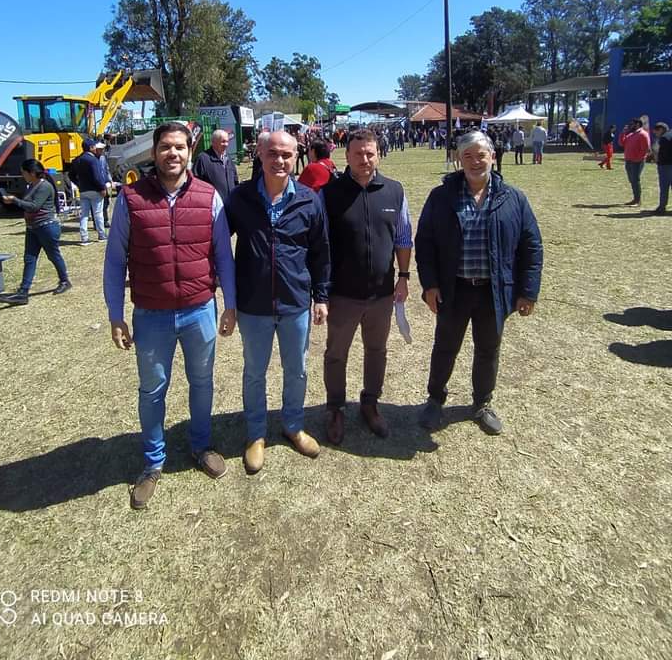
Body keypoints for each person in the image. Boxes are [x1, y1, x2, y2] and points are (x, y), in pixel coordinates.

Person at [103, 121, 237, 510]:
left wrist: (230, 303)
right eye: (165, 147)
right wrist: (115, 314)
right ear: (154, 153)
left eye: (179, 147)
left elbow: (223, 257)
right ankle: (153, 463)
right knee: (152, 390)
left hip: (200, 312)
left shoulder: (209, 196)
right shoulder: (130, 199)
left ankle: (200, 445)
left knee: (202, 382)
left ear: (190, 152)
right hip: (151, 315)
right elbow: (114, 262)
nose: (172, 154)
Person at [415, 131, 543, 435]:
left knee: (488, 348)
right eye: (467, 156)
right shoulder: (441, 196)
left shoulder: (514, 198)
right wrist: (430, 284)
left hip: (494, 292)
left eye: (480, 155)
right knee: (445, 346)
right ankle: (435, 399)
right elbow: (425, 242)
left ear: (493, 157)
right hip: (453, 289)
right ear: (459, 160)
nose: (474, 161)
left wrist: (528, 291)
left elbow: (531, 245)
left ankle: (482, 403)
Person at [224, 130, 330, 475]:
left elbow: (321, 253)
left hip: (294, 301)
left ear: (296, 155)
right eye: (273, 154)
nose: (280, 161)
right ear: (260, 154)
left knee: (296, 369)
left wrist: (321, 296)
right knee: (254, 372)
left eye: (287, 154)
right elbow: (218, 247)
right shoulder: (240, 198)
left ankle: (293, 425)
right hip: (252, 304)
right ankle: (256, 434)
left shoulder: (309, 200)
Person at [322, 129, 413, 444]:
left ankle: (370, 403)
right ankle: (335, 408)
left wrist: (403, 276)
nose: (364, 159)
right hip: (343, 295)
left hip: (381, 294)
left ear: (379, 154)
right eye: (358, 153)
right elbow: (320, 246)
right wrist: (322, 291)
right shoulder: (329, 193)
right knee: (336, 354)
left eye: (370, 153)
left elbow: (403, 237)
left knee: (376, 351)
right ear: (346, 156)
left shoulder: (395, 192)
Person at [0, 159, 72, 305]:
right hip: (32, 228)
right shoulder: (31, 185)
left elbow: (34, 206)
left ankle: (65, 281)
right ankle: (23, 292)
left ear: (32, 173)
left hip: (46, 227)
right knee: (29, 259)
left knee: (53, 255)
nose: (22, 175)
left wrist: (14, 200)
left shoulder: (44, 186)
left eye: (24, 173)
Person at [70, 138, 109, 244]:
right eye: (94, 147)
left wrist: (78, 184)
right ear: (91, 148)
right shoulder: (93, 160)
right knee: (98, 213)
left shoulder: (77, 160)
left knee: (84, 215)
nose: (96, 149)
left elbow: (71, 175)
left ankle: (84, 238)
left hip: (83, 190)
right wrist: (102, 188)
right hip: (95, 190)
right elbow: (97, 177)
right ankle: (101, 235)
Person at [192, 129, 239, 200]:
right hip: (212, 204)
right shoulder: (203, 159)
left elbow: (235, 180)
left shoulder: (228, 158)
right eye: (223, 142)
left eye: (227, 141)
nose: (226, 144)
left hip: (230, 204)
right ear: (214, 142)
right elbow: (195, 183)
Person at [619, 118, 651, 206]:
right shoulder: (631, 134)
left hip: (637, 162)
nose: (630, 125)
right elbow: (622, 143)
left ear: (637, 124)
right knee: (632, 180)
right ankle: (635, 199)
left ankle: (637, 200)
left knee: (635, 180)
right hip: (629, 161)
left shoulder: (643, 134)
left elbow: (645, 149)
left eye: (632, 124)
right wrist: (623, 133)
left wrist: (638, 159)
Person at [652, 122, 672, 215]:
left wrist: (656, 156)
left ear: (660, 130)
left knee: (664, 187)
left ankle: (661, 208)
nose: (655, 134)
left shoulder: (663, 138)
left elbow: (660, 153)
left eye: (656, 132)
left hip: (665, 165)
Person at [93, 141, 114, 227]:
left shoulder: (103, 158)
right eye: (100, 149)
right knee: (96, 205)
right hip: (96, 185)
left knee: (106, 203)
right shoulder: (93, 159)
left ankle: (105, 220)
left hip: (104, 183)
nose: (102, 151)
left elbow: (106, 169)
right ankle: (96, 223)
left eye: (102, 149)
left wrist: (110, 180)